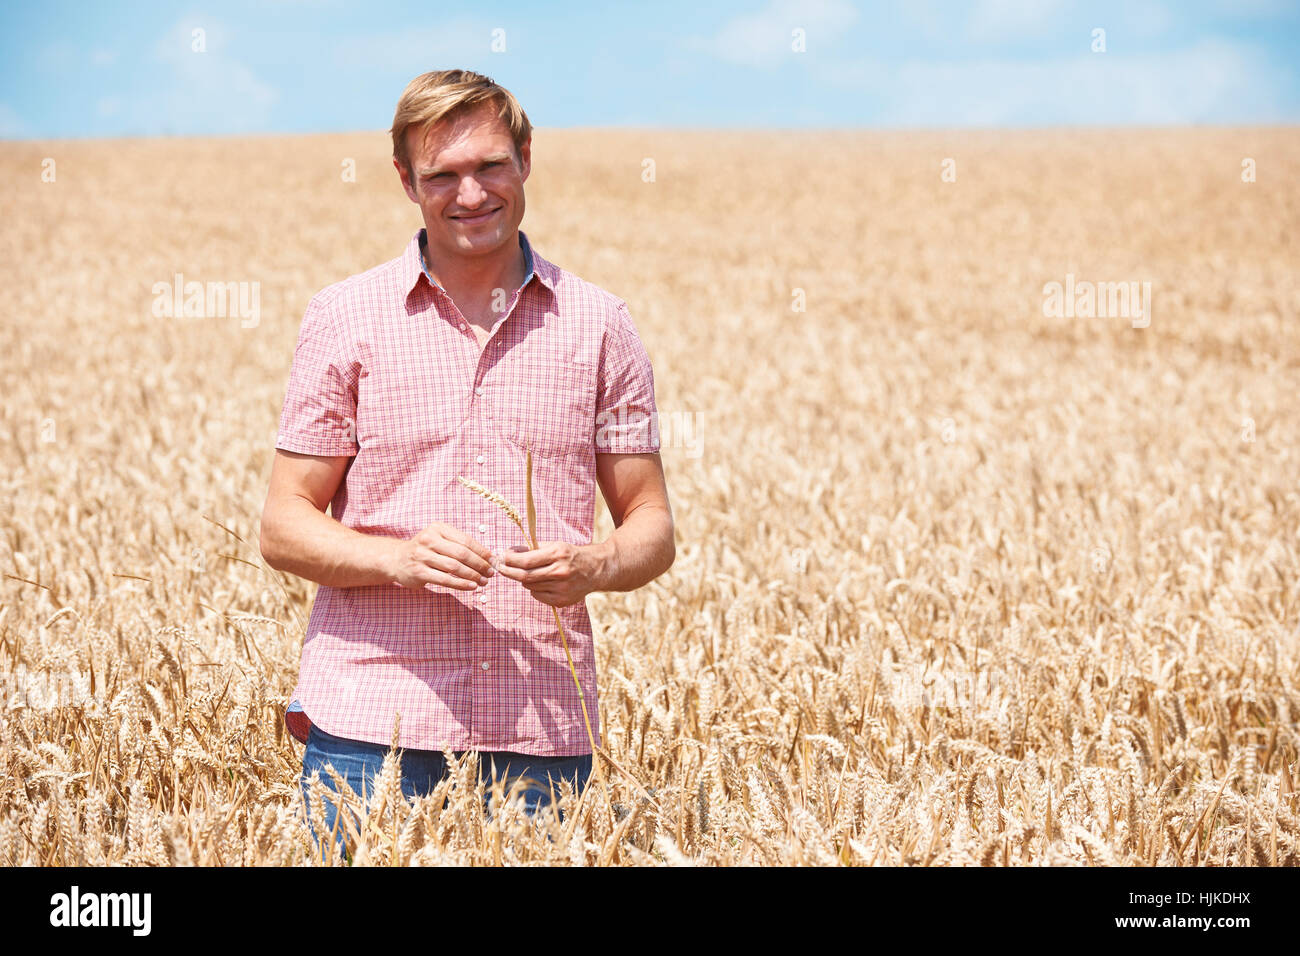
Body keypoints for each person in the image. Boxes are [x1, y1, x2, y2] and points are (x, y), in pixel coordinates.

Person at [259, 69, 675, 857]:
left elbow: (652, 525)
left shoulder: (600, 326)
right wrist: (399, 559)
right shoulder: (344, 320)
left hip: (541, 731)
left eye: (489, 166)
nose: (471, 194)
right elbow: (283, 526)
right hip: (367, 727)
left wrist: (595, 562)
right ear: (405, 182)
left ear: (525, 158)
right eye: (441, 176)